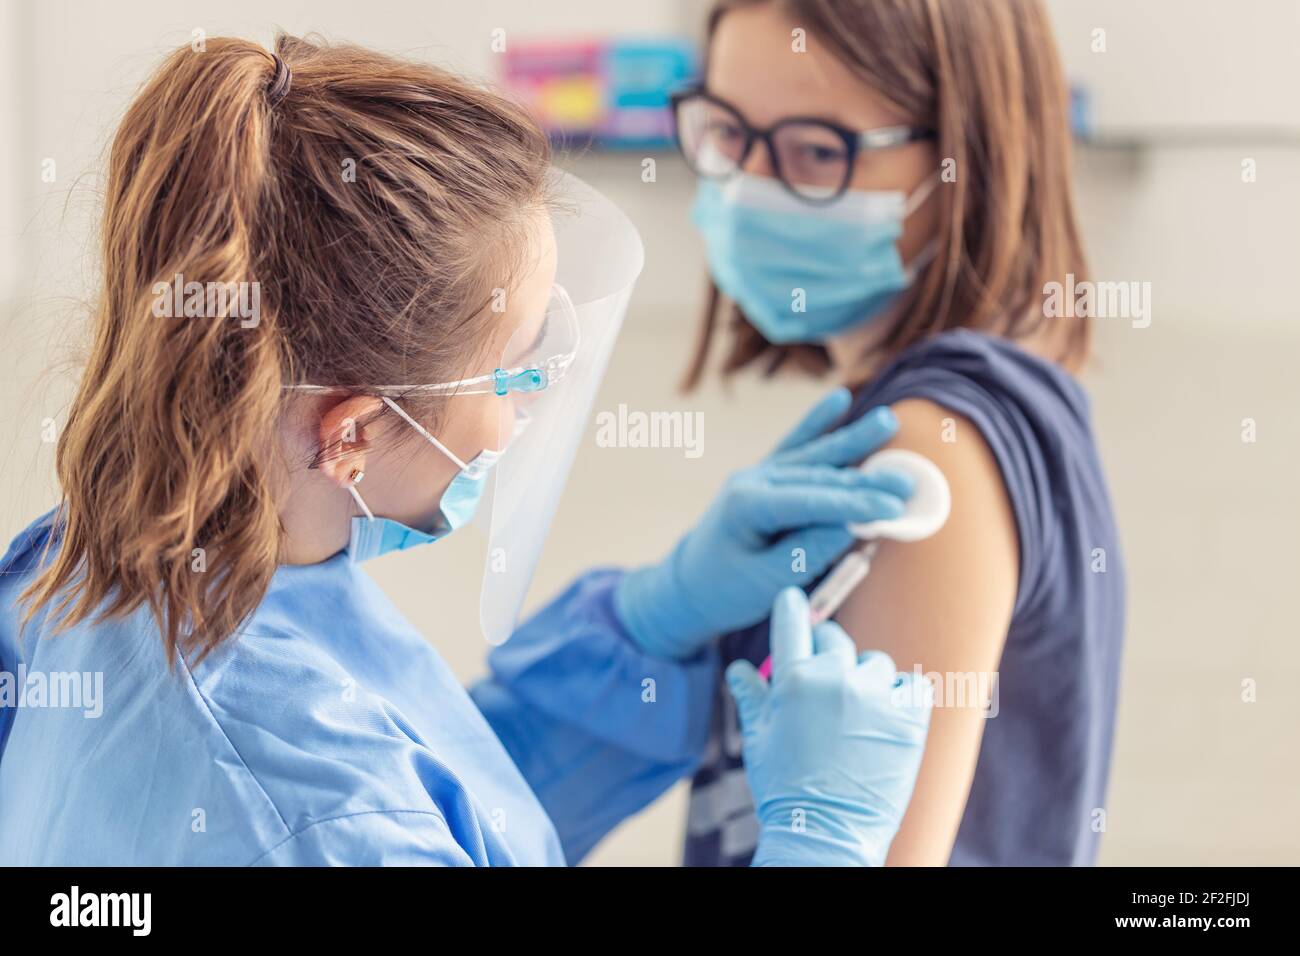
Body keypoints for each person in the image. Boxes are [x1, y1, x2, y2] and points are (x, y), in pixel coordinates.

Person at [0, 34, 931, 866]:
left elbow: (447, 804)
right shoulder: (318, 821)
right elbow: (366, 818)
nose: (524, 409)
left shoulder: (99, 561)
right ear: (351, 433)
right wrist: (822, 837)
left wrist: (653, 626)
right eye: (514, 371)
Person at [674, 0, 1126, 866]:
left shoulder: (924, 448)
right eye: (727, 132)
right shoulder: (924, 417)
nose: (749, 188)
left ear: (966, 158)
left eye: (816, 151)